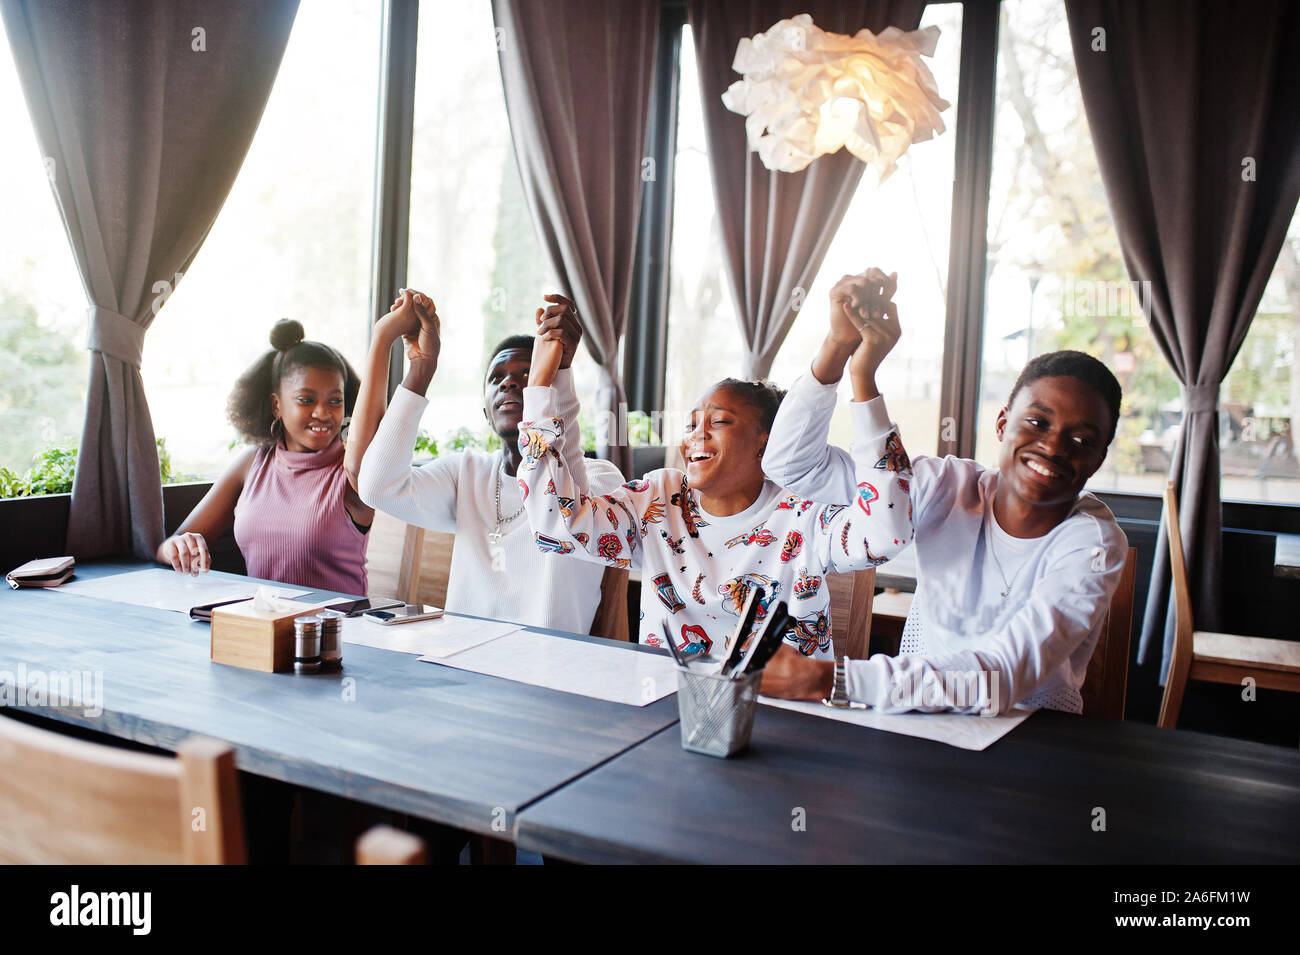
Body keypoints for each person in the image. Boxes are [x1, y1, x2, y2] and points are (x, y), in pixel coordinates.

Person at [758, 269, 1130, 714]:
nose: (1052, 447)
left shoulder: (1093, 542)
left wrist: (832, 678)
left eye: (1081, 440)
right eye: (1037, 422)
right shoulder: (946, 487)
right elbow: (790, 464)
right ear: (1002, 423)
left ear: (1099, 458)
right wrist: (843, 352)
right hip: (913, 726)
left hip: (1034, 745)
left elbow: (1002, 674)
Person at [513, 313, 917, 662]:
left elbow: (886, 533)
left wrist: (864, 383)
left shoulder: (804, 512)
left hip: (783, 713)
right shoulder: (657, 497)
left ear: (766, 441)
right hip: (668, 708)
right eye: (690, 425)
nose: (696, 436)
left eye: (719, 422)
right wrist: (543, 385)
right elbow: (558, 529)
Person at [353, 290, 625, 634]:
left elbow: (564, 513)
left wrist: (561, 372)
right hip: (462, 666)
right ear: (486, 412)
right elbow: (378, 488)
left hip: (548, 673)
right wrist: (421, 369)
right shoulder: (467, 473)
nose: (509, 382)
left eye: (527, 374)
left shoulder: (600, 480)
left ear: (549, 389)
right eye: (497, 378)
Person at [155, 319, 370, 594]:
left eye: (335, 401)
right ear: (276, 405)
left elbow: (380, 430)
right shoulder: (252, 463)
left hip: (335, 629)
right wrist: (175, 549)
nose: (323, 413)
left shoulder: (352, 470)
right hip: (263, 627)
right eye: (306, 400)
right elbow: (172, 544)